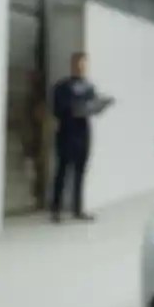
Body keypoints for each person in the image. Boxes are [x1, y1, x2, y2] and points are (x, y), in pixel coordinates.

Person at [49, 52, 113, 223]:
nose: (81, 67)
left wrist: (98, 106)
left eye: (84, 64)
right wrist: (73, 109)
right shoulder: (62, 86)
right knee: (62, 171)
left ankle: (77, 209)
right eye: (78, 63)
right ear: (72, 65)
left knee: (80, 172)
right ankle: (55, 210)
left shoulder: (89, 87)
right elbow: (56, 109)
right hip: (66, 132)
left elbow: (92, 107)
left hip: (83, 133)